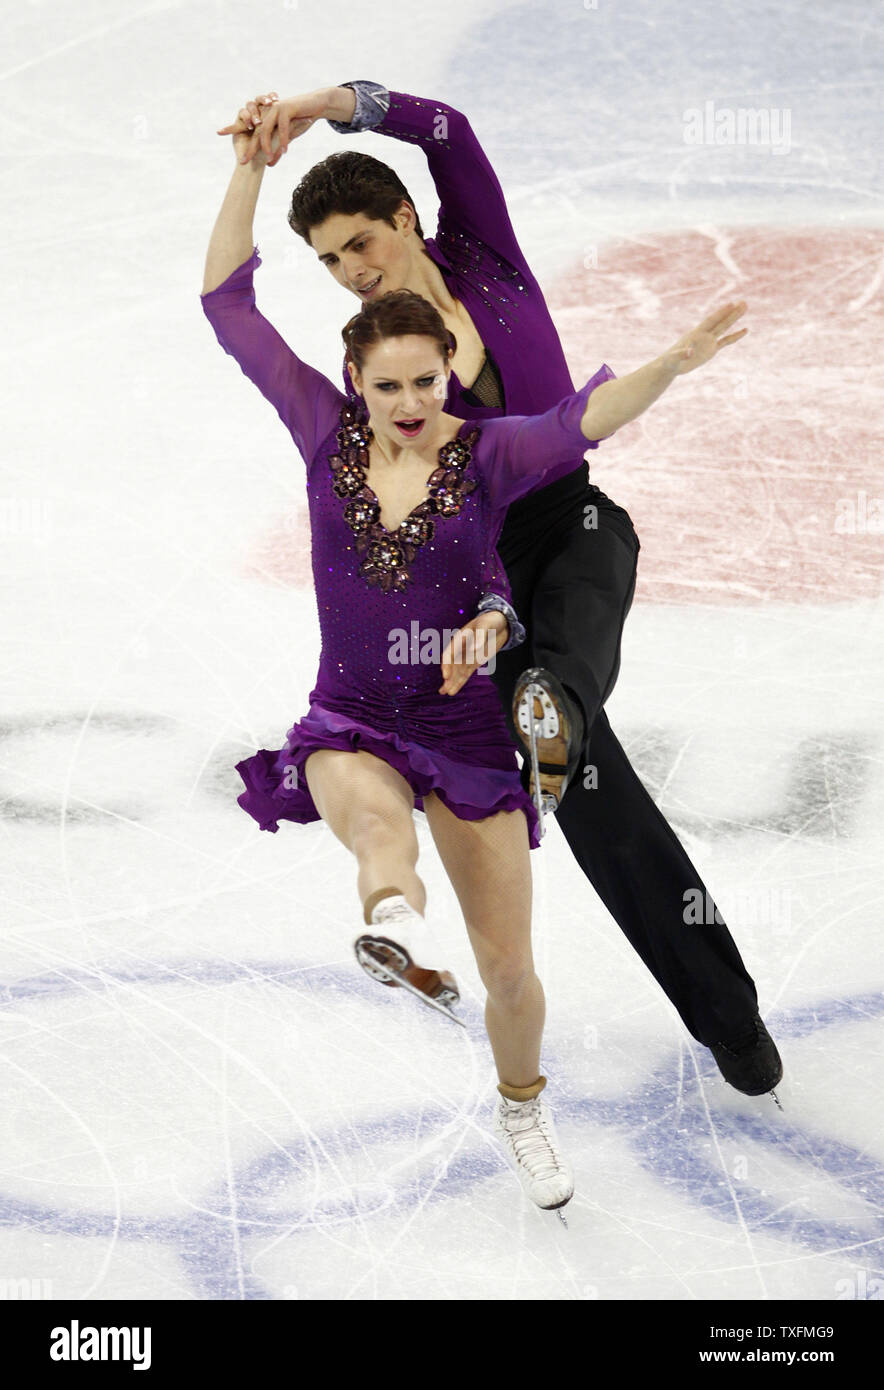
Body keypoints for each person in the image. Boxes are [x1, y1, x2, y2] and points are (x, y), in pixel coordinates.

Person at [201, 109, 749, 1212]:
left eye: (422, 384)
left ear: (447, 374)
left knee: (510, 963)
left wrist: (674, 362)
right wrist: (247, 174)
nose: (405, 404)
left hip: (501, 655)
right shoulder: (323, 429)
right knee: (373, 824)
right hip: (357, 712)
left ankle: (526, 1098)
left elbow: (577, 423)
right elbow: (228, 306)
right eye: (384, 384)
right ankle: (393, 920)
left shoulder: (485, 437)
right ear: (351, 380)